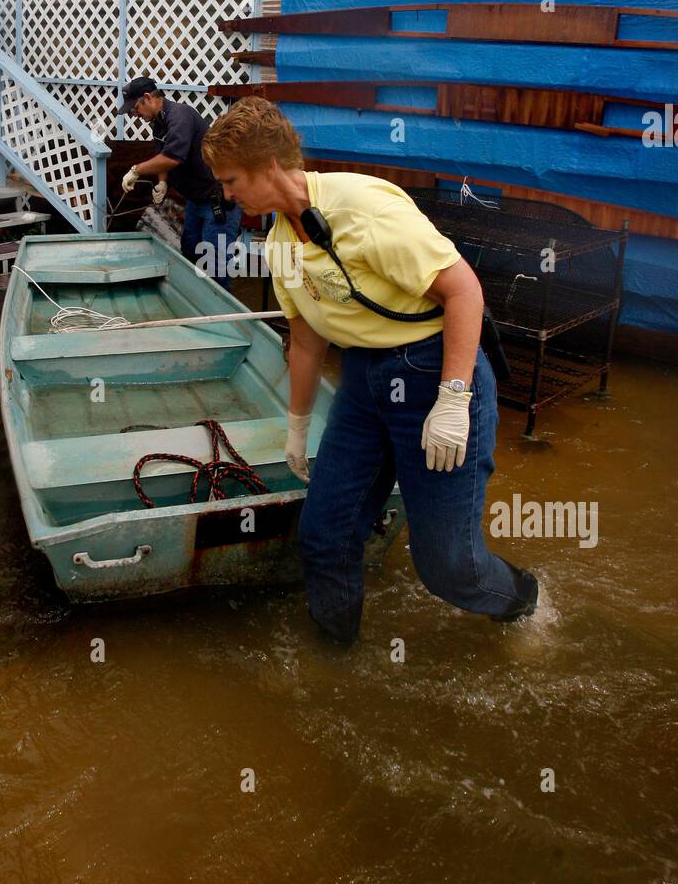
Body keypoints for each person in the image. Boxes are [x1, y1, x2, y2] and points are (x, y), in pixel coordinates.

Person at [201, 96, 539, 645]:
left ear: (268, 167)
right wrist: (297, 425)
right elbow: (307, 341)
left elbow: (464, 290)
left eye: (232, 179)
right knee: (324, 535)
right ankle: (334, 660)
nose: (227, 193)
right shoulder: (280, 240)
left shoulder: (362, 208)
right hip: (362, 380)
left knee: (448, 568)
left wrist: (453, 398)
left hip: (433, 369)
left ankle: (525, 602)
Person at [119, 76, 243, 290]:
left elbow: (173, 157)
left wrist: (135, 170)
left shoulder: (180, 116)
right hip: (195, 200)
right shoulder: (158, 124)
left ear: (148, 98)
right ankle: (198, 304)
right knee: (190, 251)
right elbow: (163, 158)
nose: (134, 114)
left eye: (135, 108)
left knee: (216, 265)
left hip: (218, 201)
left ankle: (222, 317)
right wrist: (162, 182)